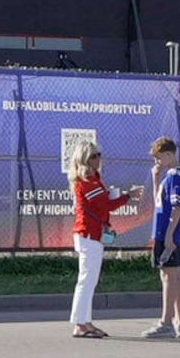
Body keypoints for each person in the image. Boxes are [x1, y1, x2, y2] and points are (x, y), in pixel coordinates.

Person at [68, 142, 128, 338]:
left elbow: (102, 206)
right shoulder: (86, 182)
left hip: (92, 235)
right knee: (86, 280)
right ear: (85, 159)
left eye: (98, 155)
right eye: (94, 156)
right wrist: (128, 197)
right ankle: (79, 324)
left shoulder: (92, 180)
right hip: (88, 235)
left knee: (89, 280)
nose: (98, 159)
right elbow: (106, 205)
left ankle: (85, 322)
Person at [143, 136, 180, 340]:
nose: (157, 162)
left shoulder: (175, 175)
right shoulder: (169, 176)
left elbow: (178, 206)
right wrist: (156, 178)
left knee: (168, 275)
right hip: (167, 231)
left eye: (159, 158)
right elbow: (159, 201)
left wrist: (169, 235)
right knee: (175, 275)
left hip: (167, 233)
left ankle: (165, 321)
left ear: (169, 155)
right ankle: (178, 321)